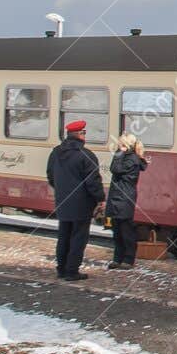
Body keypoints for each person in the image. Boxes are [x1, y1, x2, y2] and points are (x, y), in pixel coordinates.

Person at [47, 120, 104, 282]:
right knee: (78, 238)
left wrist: (60, 190)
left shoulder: (55, 153)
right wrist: (100, 199)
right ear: (80, 135)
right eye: (84, 133)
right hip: (82, 204)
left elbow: (50, 176)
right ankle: (72, 271)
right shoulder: (87, 155)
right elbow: (93, 182)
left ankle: (61, 269)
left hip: (62, 201)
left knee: (63, 235)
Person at [106, 133, 147, 270]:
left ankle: (128, 259)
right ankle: (118, 258)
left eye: (121, 144)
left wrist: (119, 153)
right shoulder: (125, 157)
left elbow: (115, 169)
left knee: (125, 229)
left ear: (126, 145)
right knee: (117, 229)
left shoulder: (131, 159)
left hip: (124, 197)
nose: (118, 146)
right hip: (118, 196)